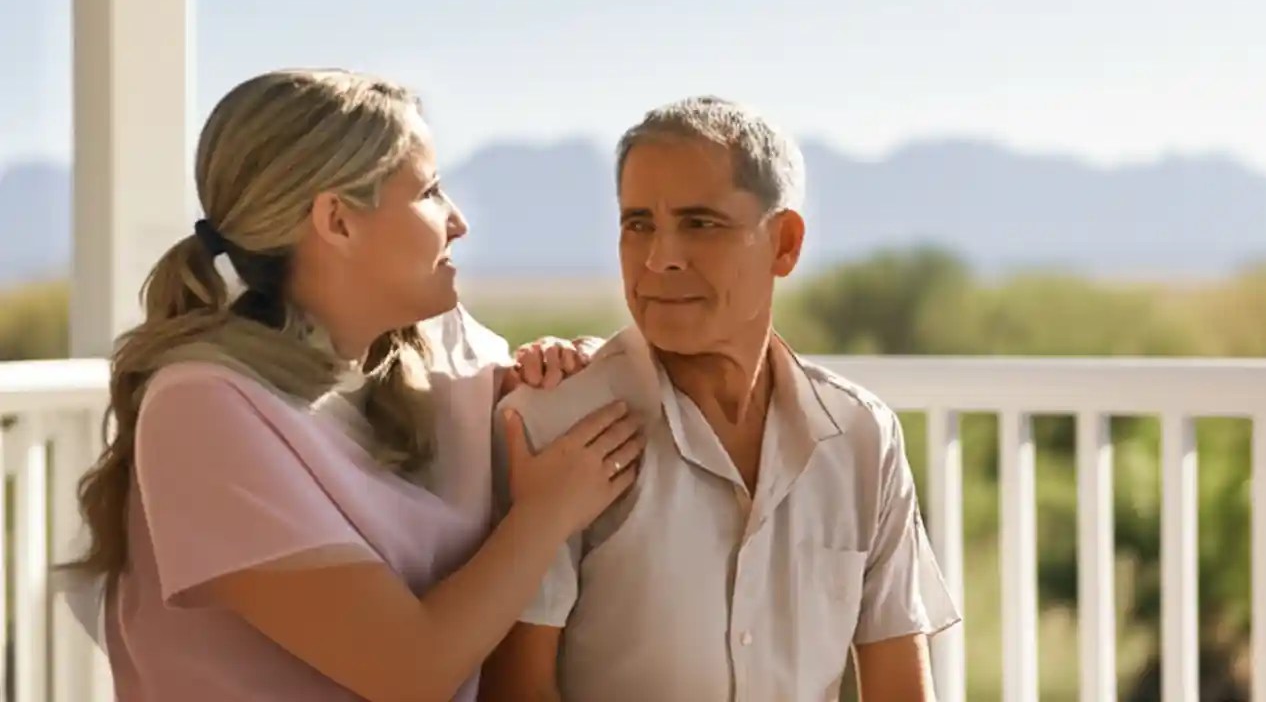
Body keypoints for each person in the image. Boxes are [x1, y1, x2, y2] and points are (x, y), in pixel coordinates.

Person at [66, 68, 643, 702]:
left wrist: (567, 368)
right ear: (337, 220)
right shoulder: (204, 407)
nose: (458, 222)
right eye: (430, 192)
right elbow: (410, 671)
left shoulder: (438, 344)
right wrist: (547, 513)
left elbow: (548, 412)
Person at [482, 96, 961, 702]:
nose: (660, 258)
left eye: (700, 223)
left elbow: (901, 688)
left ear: (785, 243)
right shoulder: (553, 426)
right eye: (638, 224)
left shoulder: (864, 436)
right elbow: (516, 692)